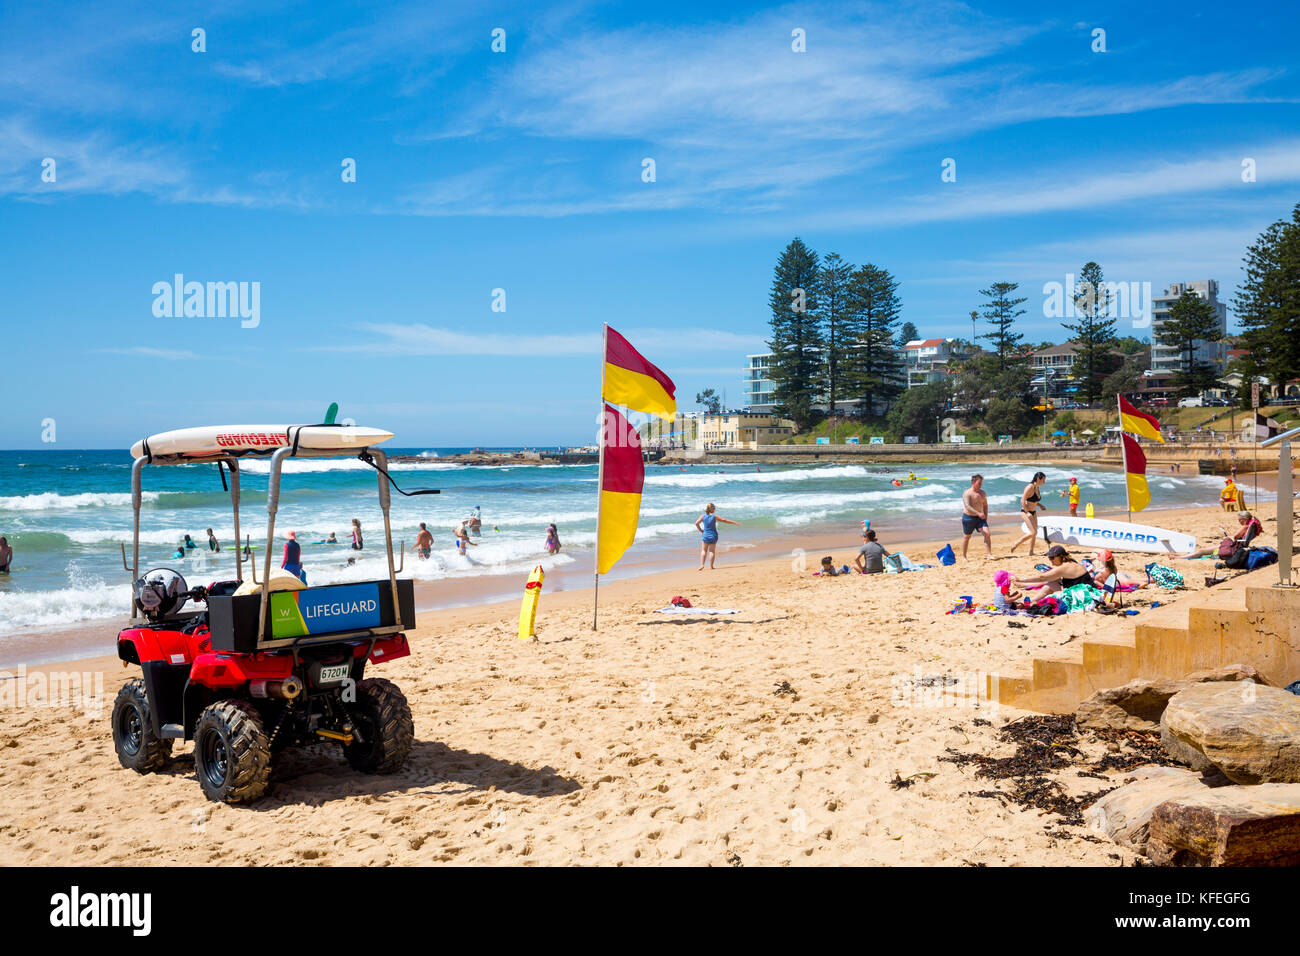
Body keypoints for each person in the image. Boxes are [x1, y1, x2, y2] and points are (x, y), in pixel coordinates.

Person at [1177, 511, 1263, 560]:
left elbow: (1233, 537)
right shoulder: (1248, 526)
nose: (1238, 521)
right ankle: (1182, 556)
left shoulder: (1245, 527)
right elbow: (1236, 536)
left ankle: (1180, 558)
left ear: (1245, 519)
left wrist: (1225, 528)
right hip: (1236, 545)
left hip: (1232, 547)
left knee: (1201, 551)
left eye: (1239, 519)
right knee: (1203, 550)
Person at [1015, 545, 1091, 596]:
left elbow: (1042, 577)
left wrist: (1021, 580)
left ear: (1060, 556)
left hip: (1084, 595)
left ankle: (1030, 601)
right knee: (1051, 584)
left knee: (1051, 595)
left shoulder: (1063, 568)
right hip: (1086, 591)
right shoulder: (1071, 562)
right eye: (1049, 558)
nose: (1050, 560)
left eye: (1052, 558)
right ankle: (1032, 601)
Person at [1009, 472, 1048, 555]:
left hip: (1033, 512)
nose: (1044, 482)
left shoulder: (1037, 487)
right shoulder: (1030, 487)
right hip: (1026, 512)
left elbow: (1033, 500)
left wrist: (1040, 505)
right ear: (1038, 479)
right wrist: (1027, 512)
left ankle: (1031, 551)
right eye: (1043, 480)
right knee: (1033, 532)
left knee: (1035, 533)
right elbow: (1022, 500)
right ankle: (1016, 543)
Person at [694, 503, 738, 571]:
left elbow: (696, 523)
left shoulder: (702, 516)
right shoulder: (714, 517)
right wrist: (734, 522)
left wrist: (701, 530)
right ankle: (711, 567)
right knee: (712, 551)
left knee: (704, 550)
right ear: (712, 509)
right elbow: (724, 520)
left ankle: (702, 565)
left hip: (705, 535)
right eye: (714, 508)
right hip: (713, 535)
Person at [960, 474, 992, 560]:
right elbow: (967, 506)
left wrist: (986, 516)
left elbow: (985, 505)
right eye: (979, 483)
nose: (980, 485)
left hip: (980, 518)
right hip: (968, 518)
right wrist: (978, 513)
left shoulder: (982, 493)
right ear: (973, 482)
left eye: (981, 483)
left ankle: (989, 554)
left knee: (987, 533)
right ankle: (964, 556)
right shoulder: (967, 493)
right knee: (967, 537)